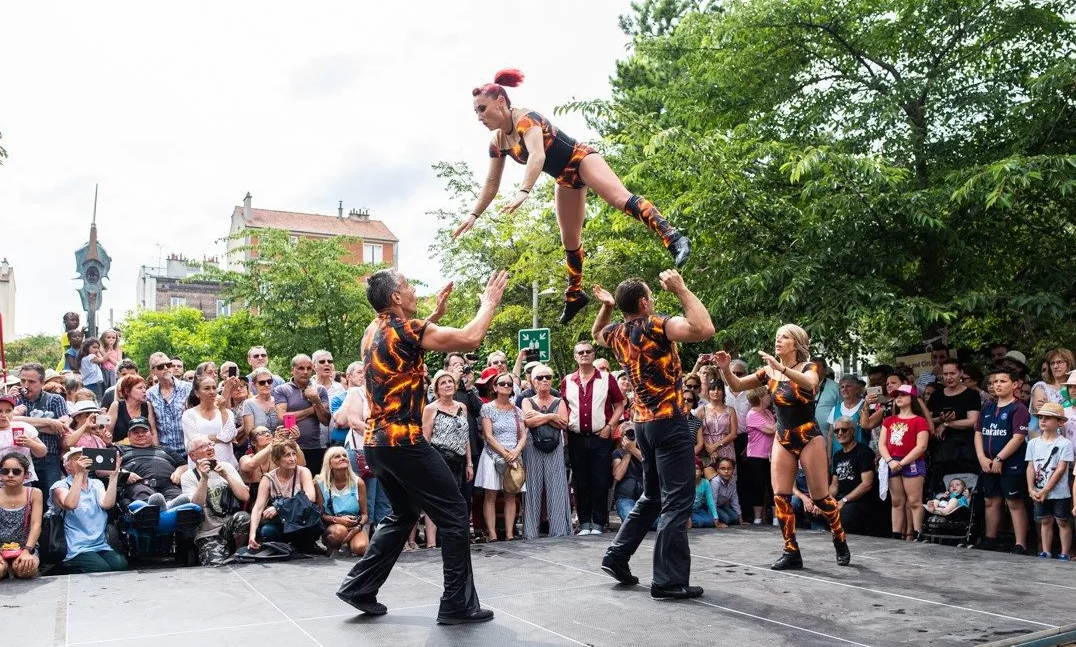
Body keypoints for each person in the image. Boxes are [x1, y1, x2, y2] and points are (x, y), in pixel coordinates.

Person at [336, 268, 507, 625]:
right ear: (396, 297)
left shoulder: (373, 331)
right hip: (405, 441)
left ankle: (359, 586)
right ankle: (457, 604)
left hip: (376, 444)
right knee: (455, 514)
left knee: (403, 513)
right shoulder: (407, 329)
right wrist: (488, 303)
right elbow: (471, 338)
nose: (415, 289)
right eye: (409, 286)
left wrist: (434, 317)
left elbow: (401, 345)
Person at [454, 69, 691, 324]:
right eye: (476, 111)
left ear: (500, 102)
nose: (479, 116)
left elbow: (537, 155)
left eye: (482, 108)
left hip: (580, 159)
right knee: (569, 239)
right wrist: (473, 215)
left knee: (620, 199)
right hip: (564, 178)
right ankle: (575, 294)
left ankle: (674, 238)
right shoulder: (498, 142)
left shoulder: (526, 120)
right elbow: (491, 182)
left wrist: (524, 191)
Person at [593, 269, 714, 599]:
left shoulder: (617, 332)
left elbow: (596, 332)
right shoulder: (658, 324)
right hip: (669, 421)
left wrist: (605, 307)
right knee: (677, 500)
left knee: (653, 496)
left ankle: (616, 556)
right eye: (653, 296)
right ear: (645, 302)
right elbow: (704, 328)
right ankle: (668, 581)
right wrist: (681, 289)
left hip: (643, 423)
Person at [717, 324, 850, 570]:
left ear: (797, 344)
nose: (778, 341)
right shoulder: (768, 371)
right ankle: (791, 551)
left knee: (821, 497)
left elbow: (810, 383)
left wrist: (783, 369)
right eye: (777, 337)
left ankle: (839, 537)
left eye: (784, 337)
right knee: (780, 496)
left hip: (808, 434)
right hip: (783, 435)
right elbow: (736, 386)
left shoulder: (809, 368)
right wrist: (725, 370)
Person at [563, 340, 625, 536]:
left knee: (600, 479)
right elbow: (564, 407)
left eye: (588, 351)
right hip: (576, 437)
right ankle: (584, 522)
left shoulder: (606, 378)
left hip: (601, 436)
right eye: (580, 352)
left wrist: (610, 426)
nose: (584, 354)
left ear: (593, 354)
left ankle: (598, 522)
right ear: (575, 356)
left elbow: (620, 405)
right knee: (580, 481)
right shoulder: (567, 380)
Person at [975, 367, 1031, 553]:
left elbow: (1018, 437)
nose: (997, 385)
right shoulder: (987, 407)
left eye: (1002, 381)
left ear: (1015, 384)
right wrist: (982, 457)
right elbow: (978, 433)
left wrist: (999, 458)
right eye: (994, 382)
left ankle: (1020, 544)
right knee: (990, 500)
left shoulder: (1019, 408)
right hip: (987, 462)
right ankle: (990, 539)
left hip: (1011, 463)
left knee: (1014, 501)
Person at [50, 447, 127, 574]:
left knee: (121, 565)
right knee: (101, 569)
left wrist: (114, 476)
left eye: (85, 457)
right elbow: (70, 504)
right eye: (77, 458)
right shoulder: (60, 486)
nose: (83, 460)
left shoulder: (96, 484)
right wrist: (79, 474)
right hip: (75, 546)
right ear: (67, 466)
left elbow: (107, 504)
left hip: (99, 544)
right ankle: (64, 566)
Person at [181, 434, 251, 566]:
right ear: (192, 456)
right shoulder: (188, 476)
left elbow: (245, 497)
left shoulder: (227, 467)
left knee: (243, 517)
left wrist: (225, 475)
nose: (210, 448)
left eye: (211, 444)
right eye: (203, 446)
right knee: (215, 567)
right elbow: (196, 506)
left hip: (230, 527)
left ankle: (238, 552)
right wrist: (204, 478)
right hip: (208, 533)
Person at [421, 370, 473, 547]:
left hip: (459, 460)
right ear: (436, 388)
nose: (448, 385)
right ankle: (431, 542)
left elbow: (465, 437)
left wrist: (469, 463)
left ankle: (454, 539)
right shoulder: (431, 409)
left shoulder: (462, 407)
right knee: (437, 501)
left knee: (457, 501)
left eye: (450, 381)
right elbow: (426, 439)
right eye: (443, 383)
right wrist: (427, 466)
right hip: (439, 458)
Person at [520, 363, 572, 541]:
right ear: (533, 381)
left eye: (547, 377)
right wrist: (551, 417)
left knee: (556, 488)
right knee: (532, 488)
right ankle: (530, 533)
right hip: (533, 446)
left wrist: (538, 417)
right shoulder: (527, 400)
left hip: (555, 447)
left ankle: (559, 530)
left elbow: (564, 423)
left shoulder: (560, 400)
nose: (544, 380)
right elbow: (528, 422)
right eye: (540, 377)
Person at [476, 374, 527, 541]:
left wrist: (516, 452)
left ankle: (510, 533)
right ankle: (492, 534)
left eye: (509, 383)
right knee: (490, 495)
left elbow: (523, 435)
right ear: (495, 387)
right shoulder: (487, 408)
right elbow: (488, 436)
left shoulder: (517, 411)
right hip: (493, 455)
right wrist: (505, 454)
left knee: (511, 494)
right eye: (502, 383)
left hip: (513, 456)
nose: (506, 385)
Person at [247, 437, 320, 552]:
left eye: (293, 454)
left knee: (311, 529)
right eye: (286, 455)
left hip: (300, 521)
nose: (292, 459)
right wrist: (252, 535)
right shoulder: (268, 478)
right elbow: (258, 508)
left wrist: (279, 506)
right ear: (276, 460)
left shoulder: (303, 472)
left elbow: (310, 497)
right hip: (281, 523)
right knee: (267, 532)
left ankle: (303, 545)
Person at [879, 385, 930, 541]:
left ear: (912, 398)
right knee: (896, 501)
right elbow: (882, 444)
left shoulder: (919, 421)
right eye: (897, 395)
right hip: (893, 461)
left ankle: (917, 533)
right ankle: (896, 534)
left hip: (912, 461)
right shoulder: (889, 420)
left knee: (914, 501)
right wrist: (890, 460)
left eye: (903, 395)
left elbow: (922, 446)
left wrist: (902, 463)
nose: (899, 398)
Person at [11, 364, 70, 498]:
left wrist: (23, 423)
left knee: (51, 497)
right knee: (24, 499)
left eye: (31, 382)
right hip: (21, 459)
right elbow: (9, 421)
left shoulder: (55, 399)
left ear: (43, 383)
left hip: (48, 458)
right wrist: (49, 422)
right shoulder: (13, 400)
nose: (26, 385)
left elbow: (63, 426)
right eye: (23, 381)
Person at [1025, 403, 1073, 560]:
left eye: (1048, 418)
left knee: (1062, 521)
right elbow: (1030, 467)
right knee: (1045, 521)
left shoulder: (1064, 443)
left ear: (1060, 422)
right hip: (1039, 490)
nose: (1043, 421)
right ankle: (1046, 551)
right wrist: (1031, 488)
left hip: (1059, 492)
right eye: (1041, 417)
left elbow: (1060, 469)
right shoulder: (1032, 443)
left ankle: (1065, 552)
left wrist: (1046, 490)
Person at [928, 359, 982, 491]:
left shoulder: (971, 394)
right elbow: (928, 420)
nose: (948, 377)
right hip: (941, 447)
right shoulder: (937, 395)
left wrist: (947, 424)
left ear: (961, 373)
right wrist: (940, 419)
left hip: (966, 448)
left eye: (952, 373)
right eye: (945, 374)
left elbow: (972, 421)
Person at [274, 355, 330, 474]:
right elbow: (283, 417)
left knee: (315, 485)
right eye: (301, 368)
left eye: (309, 368)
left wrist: (315, 399)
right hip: (289, 447)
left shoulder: (320, 390)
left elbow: (325, 420)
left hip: (316, 446)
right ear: (292, 369)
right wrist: (311, 410)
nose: (305, 372)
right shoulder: (282, 389)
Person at [315, 446, 369, 556]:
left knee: (361, 548)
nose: (342, 458)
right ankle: (331, 545)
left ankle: (349, 544)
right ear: (329, 464)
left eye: (344, 456)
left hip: (355, 524)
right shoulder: (319, 483)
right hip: (333, 524)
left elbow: (365, 515)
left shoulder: (358, 483)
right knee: (340, 531)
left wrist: (357, 527)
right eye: (337, 456)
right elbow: (320, 514)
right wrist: (338, 520)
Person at [829, 418, 876, 536]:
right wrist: (829, 500)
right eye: (836, 431)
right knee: (814, 509)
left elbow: (867, 484)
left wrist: (844, 501)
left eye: (844, 430)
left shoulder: (864, 452)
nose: (839, 433)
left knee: (847, 514)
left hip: (859, 502)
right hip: (841, 500)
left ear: (853, 432)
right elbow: (835, 484)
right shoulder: (837, 455)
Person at [0, 452, 43, 579]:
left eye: (16, 472)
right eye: (5, 471)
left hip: (25, 546)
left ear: (26, 475)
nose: (10, 475)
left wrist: (27, 550)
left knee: (26, 569)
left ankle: (12, 567)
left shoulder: (34, 493)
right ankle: (6, 569)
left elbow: (36, 524)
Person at [183, 376, 240, 469]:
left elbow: (230, 435)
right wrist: (222, 438)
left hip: (226, 465)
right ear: (197, 393)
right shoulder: (188, 414)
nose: (212, 392)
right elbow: (195, 441)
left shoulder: (227, 412)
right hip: (201, 468)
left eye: (214, 388)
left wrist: (222, 409)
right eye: (207, 388)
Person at [146, 352, 194, 455]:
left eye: (168, 365)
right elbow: (152, 427)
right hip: (165, 452)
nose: (166, 368)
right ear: (153, 372)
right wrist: (158, 453)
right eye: (160, 367)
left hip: (189, 450)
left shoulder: (188, 388)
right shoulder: (150, 394)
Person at [742, 387, 776, 524]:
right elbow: (771, 430)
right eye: (768, 394)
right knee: (758, 486)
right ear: (761, 398)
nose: (770, 397)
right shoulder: (752, 414)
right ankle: (757, 519)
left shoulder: (768, 412)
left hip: (771, 455)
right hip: (756, 456)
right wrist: (786, 415)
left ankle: (775, 518)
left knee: (773, 486)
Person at [0, 395, 47, 485]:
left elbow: (42, 452)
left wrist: (31, 443)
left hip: (23, 480)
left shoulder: (23, 427)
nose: (4, 415)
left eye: (8, 411)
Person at [106, 374, 158, 445]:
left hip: (143, 450)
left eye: (144, 387)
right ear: (127, 391)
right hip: (121, 450)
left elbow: (153, 432)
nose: (144, 391)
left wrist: (157, 451)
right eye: (139, 388)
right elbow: (107, 432)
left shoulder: (147, 405)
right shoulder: (116, 405)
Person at [698, 379, 737, 469]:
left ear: (723, 392)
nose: (716, 392)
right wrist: (710, 450)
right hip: (707, 449)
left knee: (728, 475)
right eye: (712, 389)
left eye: (719, 389)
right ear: (708, 392)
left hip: (726, 447)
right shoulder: (702, 410)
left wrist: (715, 446)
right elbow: (698, 433)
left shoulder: (730, 410)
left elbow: (733, 434)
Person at [611, 423, 644, 523]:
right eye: (628, 434)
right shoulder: (617, 453)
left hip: (646, 499)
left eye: (634, 433)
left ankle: (643, 523)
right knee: (630, 520)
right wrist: (628, 453)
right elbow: (617, 476)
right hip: (625, 498)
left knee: (660, 522)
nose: (632, 436)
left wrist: (633, 449)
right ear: (621, 437)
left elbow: (650, 463)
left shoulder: (645, 451)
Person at [826, 376, 866, 453]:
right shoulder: (835, 409)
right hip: (838, 455)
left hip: (861, 455)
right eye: (842, 387)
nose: (844, 389)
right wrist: (829, 456)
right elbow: (830, 435)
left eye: (848, 386)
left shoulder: (865, 405)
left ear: (857, 389)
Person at [243, 367, 282, 441]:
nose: (266, 384)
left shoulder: (279, 401)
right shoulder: (249, 403)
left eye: (269, 381)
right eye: (262, 382)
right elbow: (249, 433)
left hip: (279, 445)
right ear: (254, 385)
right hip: (259, 447)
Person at [708, 457, 740, 527]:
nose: (726, 471)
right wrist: (716, 521)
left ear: (733, 470)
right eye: (722, 469)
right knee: (727, 519)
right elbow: (712, 502)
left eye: (729, 469)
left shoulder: (733, 480)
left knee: (736, 518)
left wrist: (741, 519)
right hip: (711, 506)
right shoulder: (715, 481)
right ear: (718, 470)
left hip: (721, 506)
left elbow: (734, 498)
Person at [688, 459, 718, 529]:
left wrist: (716, 516)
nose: (694, 471)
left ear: (702, 472)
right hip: (688, 511)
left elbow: (710, 500)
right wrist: (687, 516)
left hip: (698, 509)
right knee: (699, 522)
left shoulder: (705, 483)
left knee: (711, 522)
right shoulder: (687, 483)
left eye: (697, 468)